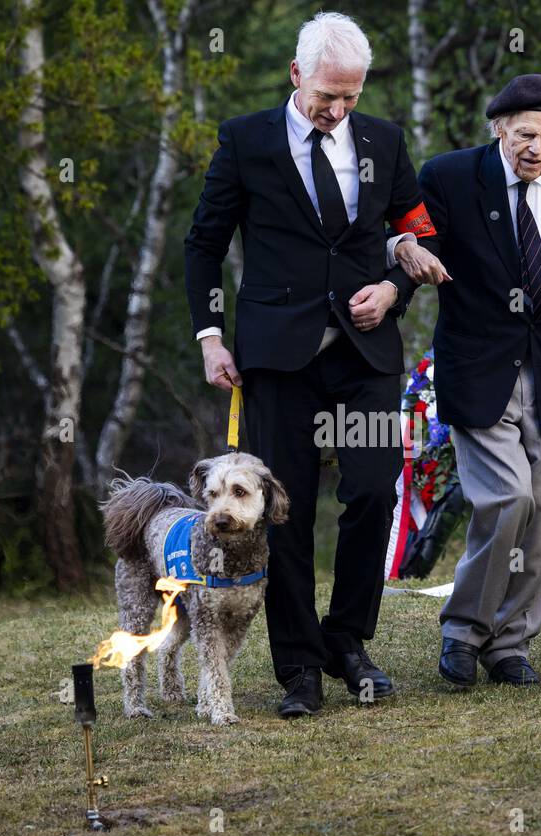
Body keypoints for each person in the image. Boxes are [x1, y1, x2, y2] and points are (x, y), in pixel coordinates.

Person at [183, 12, 444, 717]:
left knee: (373, 491)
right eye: (327, 95)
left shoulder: (384, 141)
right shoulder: (245, 141)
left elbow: (414, 231)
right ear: (296, 75)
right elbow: (203, 244)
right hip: (278, 358)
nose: (336, 110)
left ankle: (348, 641)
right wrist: (211, 335)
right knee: (283, 512)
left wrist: (395, 286)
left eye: (350, 98)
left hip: (362, 355)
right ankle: (298, 666)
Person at [395, 74, 541, 687]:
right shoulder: (449, 178)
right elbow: (407, 235)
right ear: (498, 128)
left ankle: (510, 645)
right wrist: (400, 250)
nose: (536, 148)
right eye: (525, 134)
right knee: (507, 498)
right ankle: (463, 634)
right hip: (479, 370)